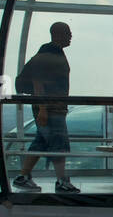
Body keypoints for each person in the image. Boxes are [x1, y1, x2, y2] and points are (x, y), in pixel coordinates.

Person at [12, 22, 79, 193]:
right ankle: (62, 181)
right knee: (59, 142)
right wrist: (42, 109)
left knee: (40, 142)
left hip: (51, 108)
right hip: (50, 109)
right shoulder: (49, 54)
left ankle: (23, 177)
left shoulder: (51, 52)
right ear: (57, 34)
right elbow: (38, 82)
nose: (70, 36)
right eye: (67, 33)